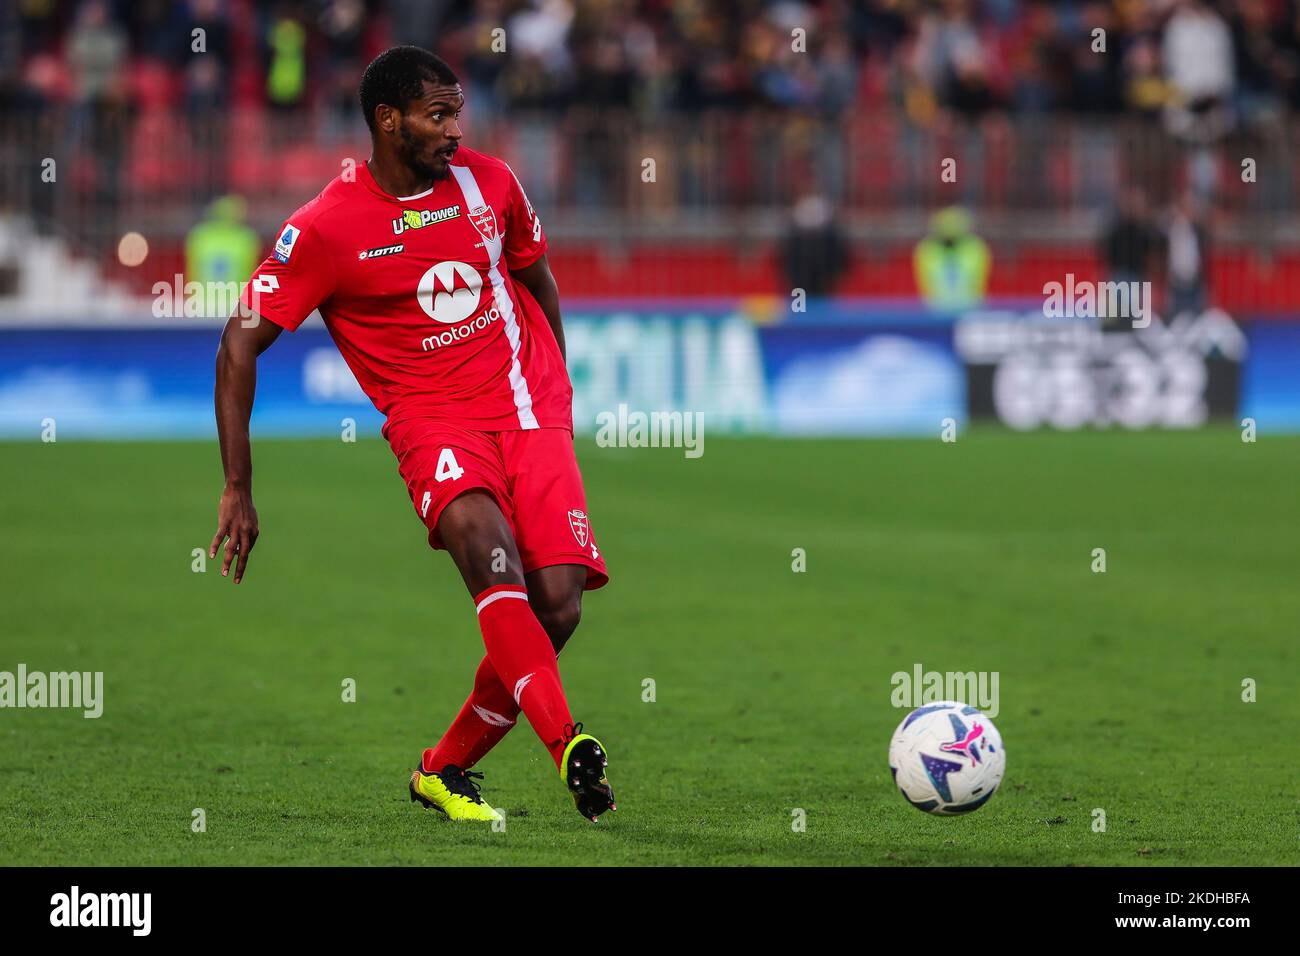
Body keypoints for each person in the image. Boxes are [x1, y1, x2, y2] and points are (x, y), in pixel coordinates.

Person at [210, 47, 615, 824]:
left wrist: (553, 393)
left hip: (528, 409)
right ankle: (569, 742)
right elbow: (238, 343)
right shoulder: (326, 227)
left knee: (558, 606)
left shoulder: (492, 185)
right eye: (438, 115)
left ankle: (442, 767)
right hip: (433, 425)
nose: (455, 130)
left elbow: (535, 274)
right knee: (491, 562)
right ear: (387, 121)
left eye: (457, 113)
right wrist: (238, 486)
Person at [913, 206, 990, 310]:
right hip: (936, 309)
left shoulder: (975, 248)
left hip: (969, 308)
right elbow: (926, 285)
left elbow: (978, 282)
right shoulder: (927, 249)